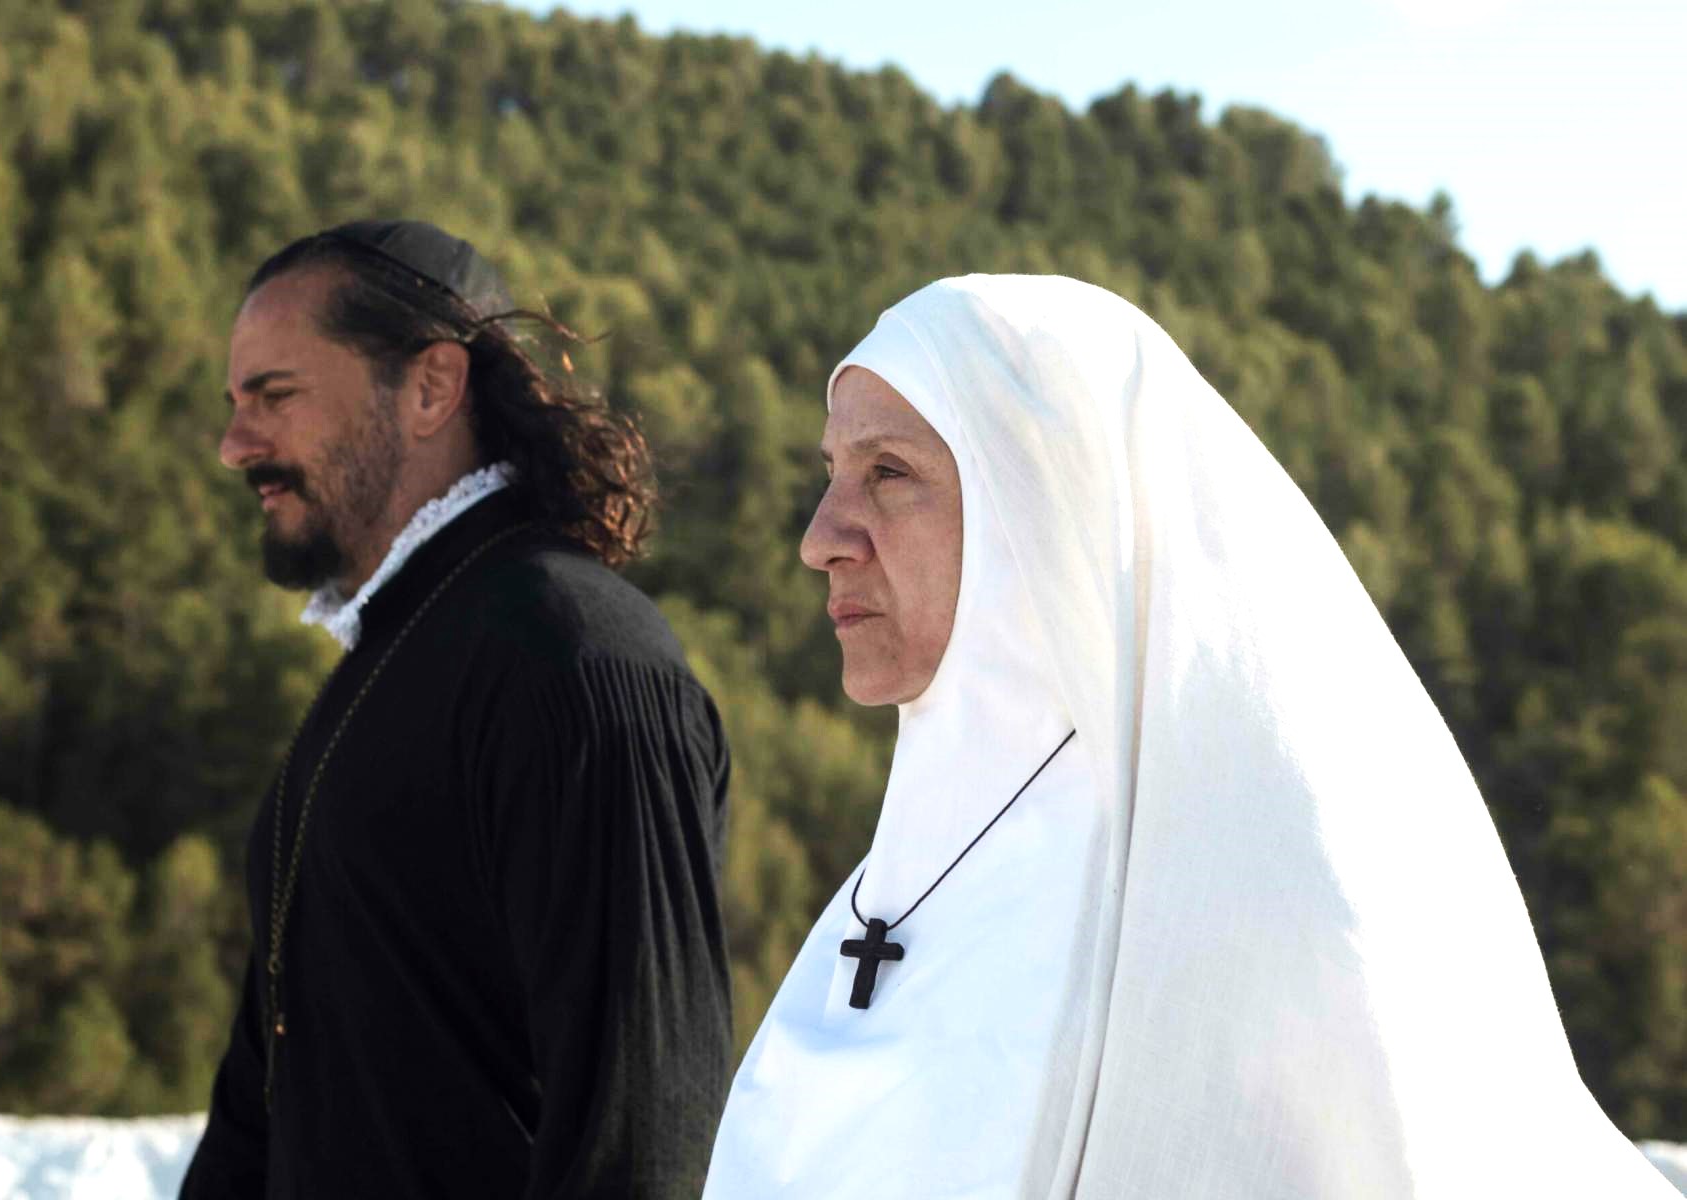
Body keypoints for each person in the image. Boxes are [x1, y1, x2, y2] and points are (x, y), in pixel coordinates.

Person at [702, 275, 1674, 1198]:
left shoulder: (1259, 886)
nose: (820, 534)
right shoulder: (898, 875)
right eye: (831, 473)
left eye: (888, 473)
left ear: (1043, 501)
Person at [181, 220, 733, 1199]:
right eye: (234, 404)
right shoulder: (391, 658)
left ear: (432, 387)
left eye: (275, 396)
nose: (234, 446)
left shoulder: (573, 658)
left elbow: (639, 1135)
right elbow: (266, 1104)